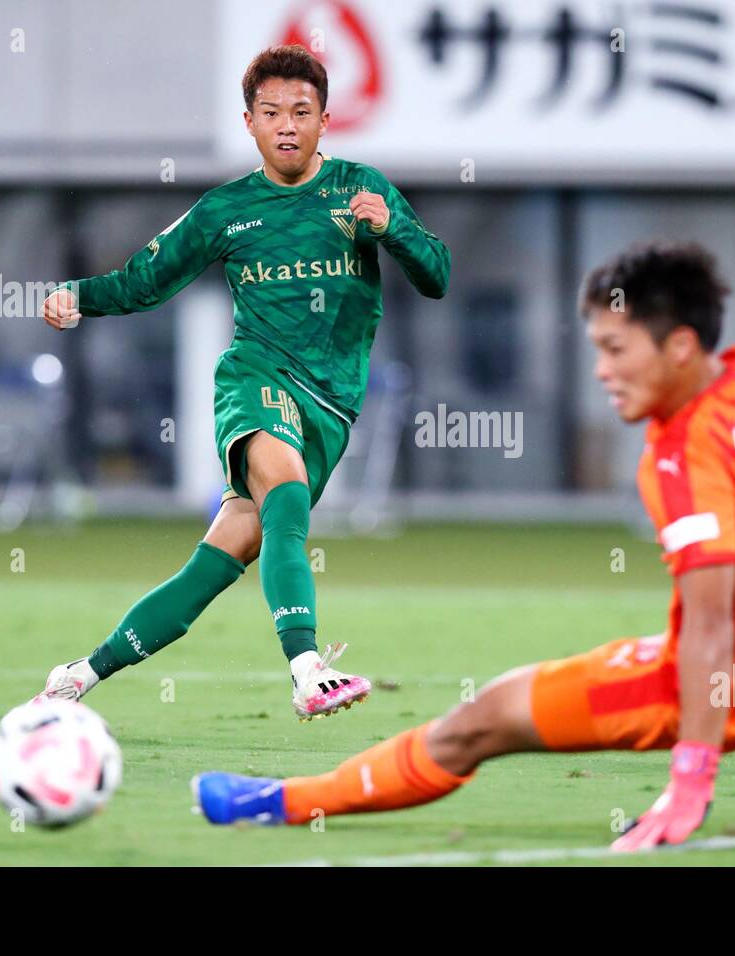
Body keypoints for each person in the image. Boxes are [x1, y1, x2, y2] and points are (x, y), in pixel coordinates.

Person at [191, 61, 735, 848]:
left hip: (722, 683)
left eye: (615, 349)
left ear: (678, 346)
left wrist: (689, 783)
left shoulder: (681, 456)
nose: (601, 372)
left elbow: (709, 628)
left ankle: (284, 802)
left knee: (481, 720)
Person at [35, 45, 449, 720]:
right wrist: (77, 296)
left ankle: (77, 676)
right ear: (250, 123)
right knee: (285, 494)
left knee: (219, 562)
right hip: (254, 379)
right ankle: (308, 668)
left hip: (332, 407)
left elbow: (438, 277)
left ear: (324, 121)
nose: (287, 124)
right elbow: (147, 279)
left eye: (301, 112)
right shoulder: (227, 209)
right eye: (271, 112)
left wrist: (394, 227)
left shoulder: (360, 190)